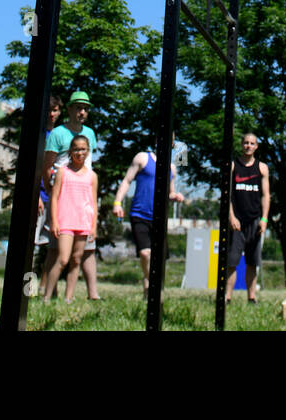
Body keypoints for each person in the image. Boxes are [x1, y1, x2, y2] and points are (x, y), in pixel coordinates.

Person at [42, 91, 101, 299]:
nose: (82, 112)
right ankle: (47, 291)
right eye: (78, 108)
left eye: (85, 108)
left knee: (85, 251)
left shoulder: (90, 134)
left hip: (83, 200)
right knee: (55, 250)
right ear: (69, 109)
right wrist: (49, 190)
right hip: (62, 197)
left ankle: (90, 293)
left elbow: (89, 164)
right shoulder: (58, 133)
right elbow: (47, 165)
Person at [113, 150, 185, 297]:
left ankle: (149, 285)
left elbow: (170, 193)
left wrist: (175, 196)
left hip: (159, 218)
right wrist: (117, 203)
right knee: (145, 254)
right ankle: (152, 282)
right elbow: (127, 180)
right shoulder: (142, 158)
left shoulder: (172, 168)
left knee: (158, 258)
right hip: (139, 214)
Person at [226, 132, 271, 303]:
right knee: (232, 262)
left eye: (252, 143)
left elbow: (266, 195)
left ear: (256, 146)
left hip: (255, 220)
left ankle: (251, 297)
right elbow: (227, 194)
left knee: (252, 262)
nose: (248, 146)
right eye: (246, 143)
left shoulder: (262, 168)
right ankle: (227, 297)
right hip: (237, 221)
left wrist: (264, 219)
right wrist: (231, 217)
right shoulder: (232, 166)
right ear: (241, 145)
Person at [33, 92, 63, 267]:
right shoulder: (40, 135)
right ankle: (27, 281)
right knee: (32, 243)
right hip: (40, 197)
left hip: (54, 197)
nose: (52, 114)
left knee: (51, 245)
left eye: (55, 110)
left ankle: (45, 283)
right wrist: (36, 196)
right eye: (49, 110)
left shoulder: (59, 135)